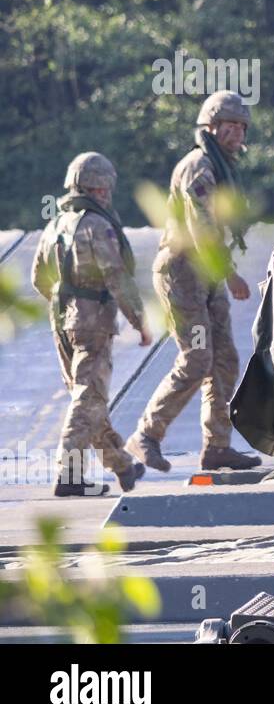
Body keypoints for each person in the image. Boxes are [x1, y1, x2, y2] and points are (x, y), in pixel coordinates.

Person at [126, 92, 261, 472]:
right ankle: (146, 436)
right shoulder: (199, 166)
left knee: (224, 360)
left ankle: (217, 446)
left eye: (240, 127)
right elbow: (200, 225)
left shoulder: (223, 167)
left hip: (207, 275)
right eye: (229, 126)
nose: (236, 133)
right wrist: (229, 274)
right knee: (197, 358)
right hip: (183, 274)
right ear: (211, 128)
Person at [32, 153, 150, 495]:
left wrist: (64, 306)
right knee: (88, 398)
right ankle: (68, 475)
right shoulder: (97, 225)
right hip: (93, 322)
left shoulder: (55, 224)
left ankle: (122, 465)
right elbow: (117, 277)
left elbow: (39, 277)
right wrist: (139, 320)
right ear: (101, 188)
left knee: (87, 396)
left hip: (63, 322)